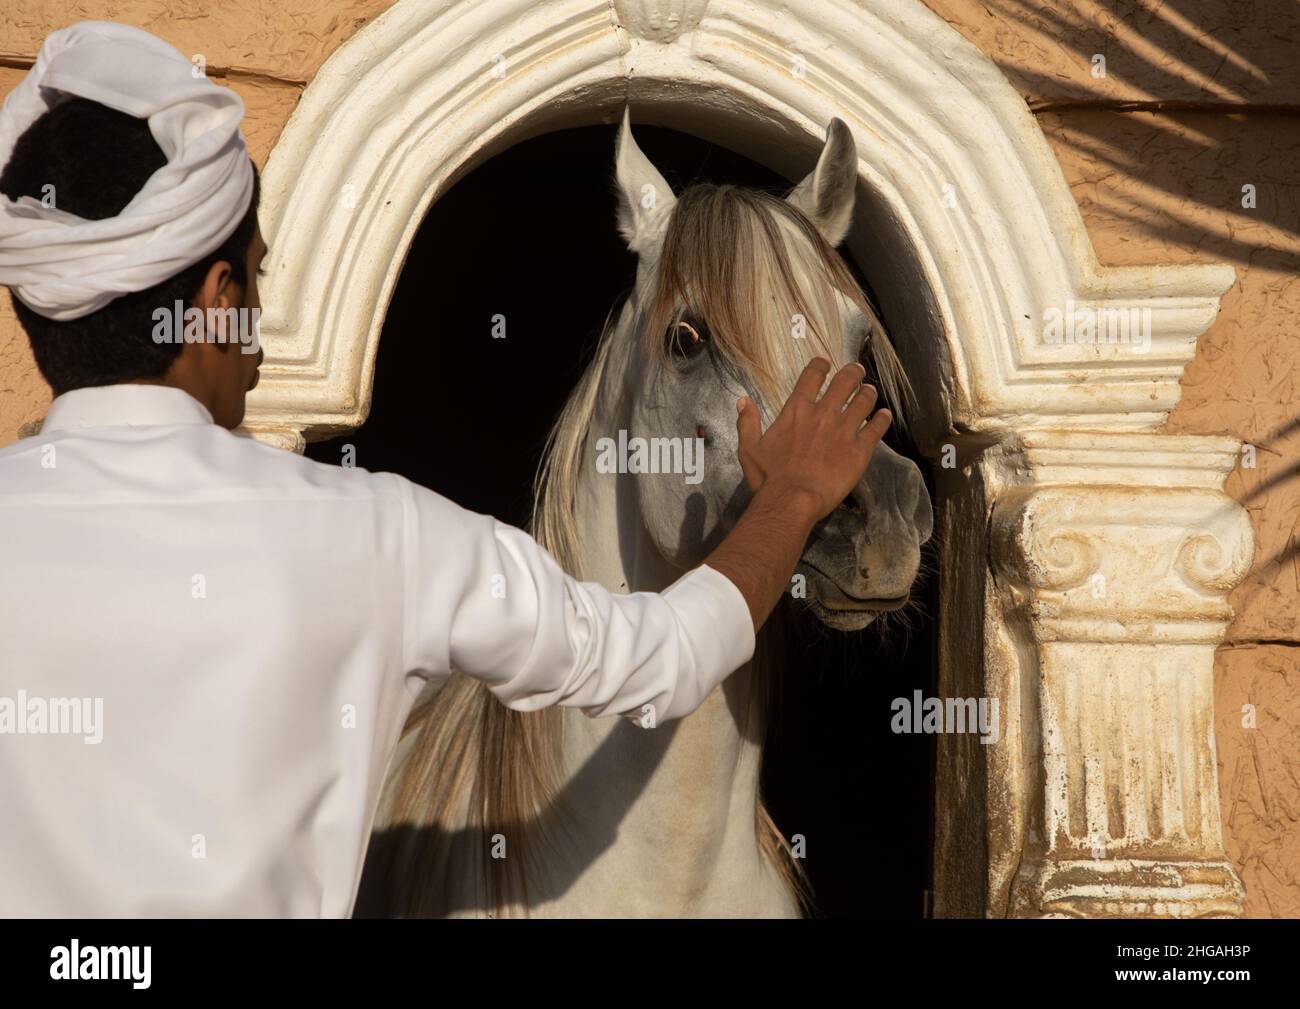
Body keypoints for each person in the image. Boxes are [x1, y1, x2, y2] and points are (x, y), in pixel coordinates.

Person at [0, 21, 893, 916]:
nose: (265, 324)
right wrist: (798, 494)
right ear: (218, 303)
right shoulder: (376, 533)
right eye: (260, 279)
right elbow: (656, 659)